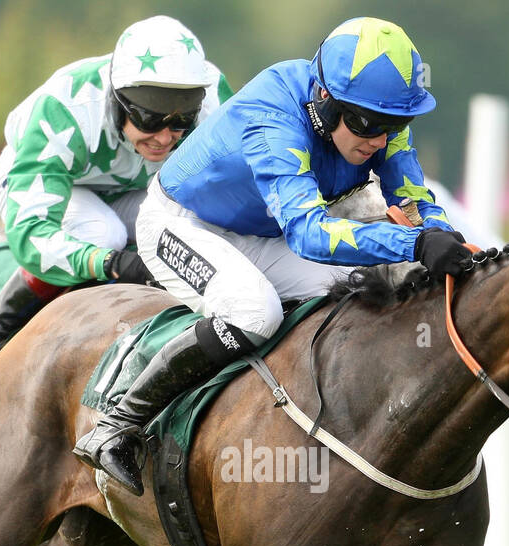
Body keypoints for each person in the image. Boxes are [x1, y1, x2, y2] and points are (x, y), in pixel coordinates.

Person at [74, 16, 468, 494]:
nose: (379, 140)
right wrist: (416, 243)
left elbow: (412, 198)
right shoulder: (274, 113)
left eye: (395, 125)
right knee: (253, 311)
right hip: (179, 223)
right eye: (366, 124)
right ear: (324, 99)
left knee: (372, 287)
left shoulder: (378, 114)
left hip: (262, 234)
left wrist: (449, 239)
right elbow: (308, 234)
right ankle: (118, 422)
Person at [0, 15, 232, 418]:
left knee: (191, 223)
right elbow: (34, 237)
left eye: (181, 120)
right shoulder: (63, 109)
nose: (165, 136)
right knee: (104, 233)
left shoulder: (214, 96)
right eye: (149, 119)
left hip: (133, 185)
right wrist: (111, 264)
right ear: (118, 101)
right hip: (48, 184)